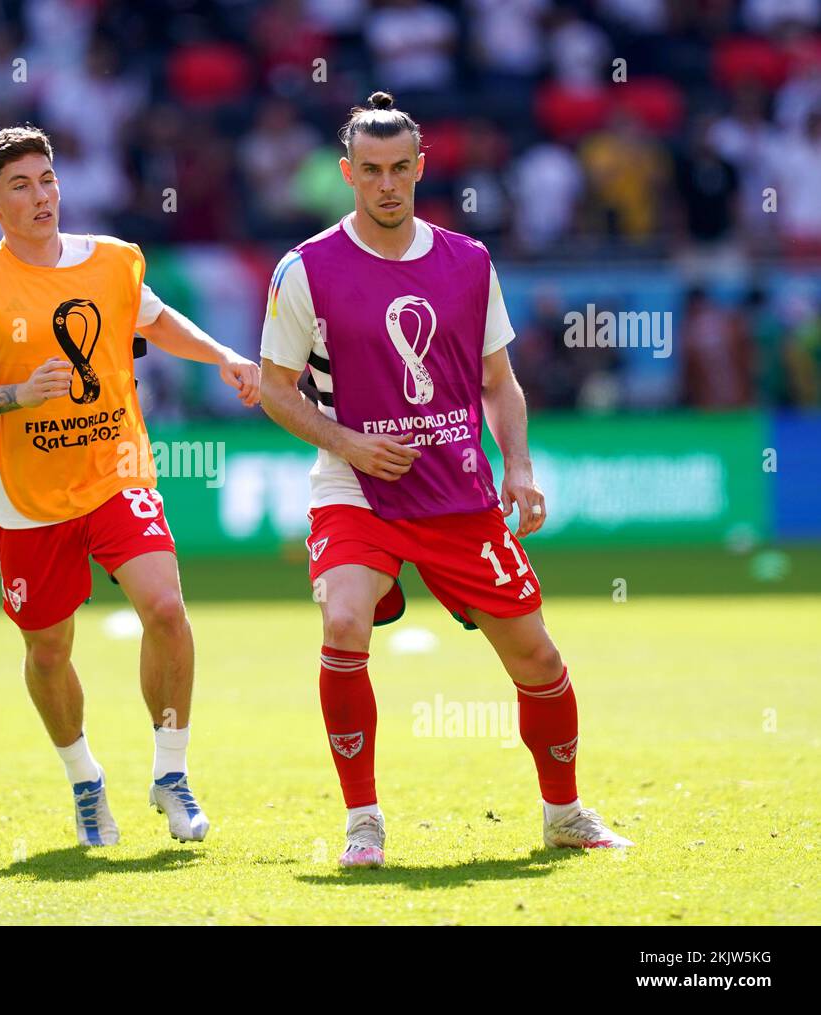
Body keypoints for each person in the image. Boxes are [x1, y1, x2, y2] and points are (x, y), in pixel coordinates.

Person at [258, 92, 633, 868]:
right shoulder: (306, 269)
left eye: (400, 169)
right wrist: (348, 444)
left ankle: (563, 812)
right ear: (346, 174)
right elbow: (273, 387)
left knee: (536, 658)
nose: (387, 185)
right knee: (344, 624)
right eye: (370, 171)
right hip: (355, 487)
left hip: (458, 492)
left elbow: (499, 382)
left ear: (422, 167)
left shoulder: (468, 262)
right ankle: (363, 821)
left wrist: (519, 467)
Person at [0, 125, 259, 847]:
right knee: (48, 651)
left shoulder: (111, 261)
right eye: (21, 185)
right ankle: (85, 780)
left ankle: (171, 773)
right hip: (29, 499)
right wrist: (15, 395)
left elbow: (156, 320)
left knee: (166, 608)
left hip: (117, 470)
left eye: (47, 178)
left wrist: (223, 355)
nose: (41, 194)